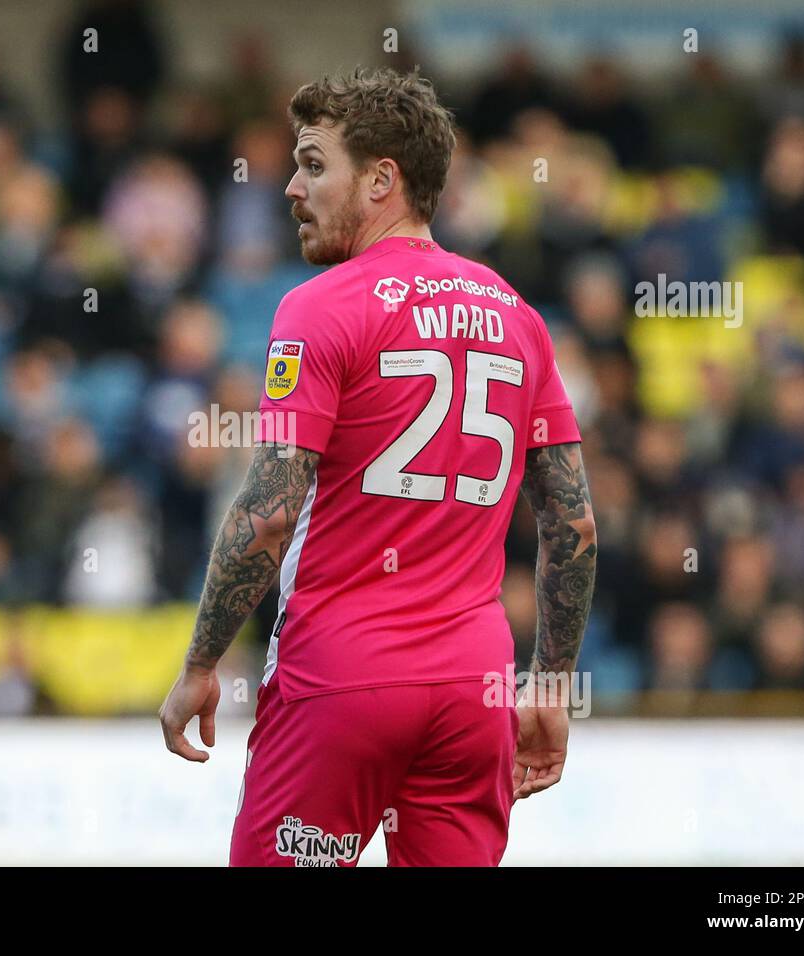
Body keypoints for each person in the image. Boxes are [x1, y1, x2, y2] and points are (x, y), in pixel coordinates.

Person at [159, 67, 598, 867]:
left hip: (343, 678)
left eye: (315, 164)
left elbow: (270, 510)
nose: (293, 187)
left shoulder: (320, 306)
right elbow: (572, 523)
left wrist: (200, 662)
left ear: (382, 180)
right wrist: (551, 685)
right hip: (475, 688)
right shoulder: (519, 318)